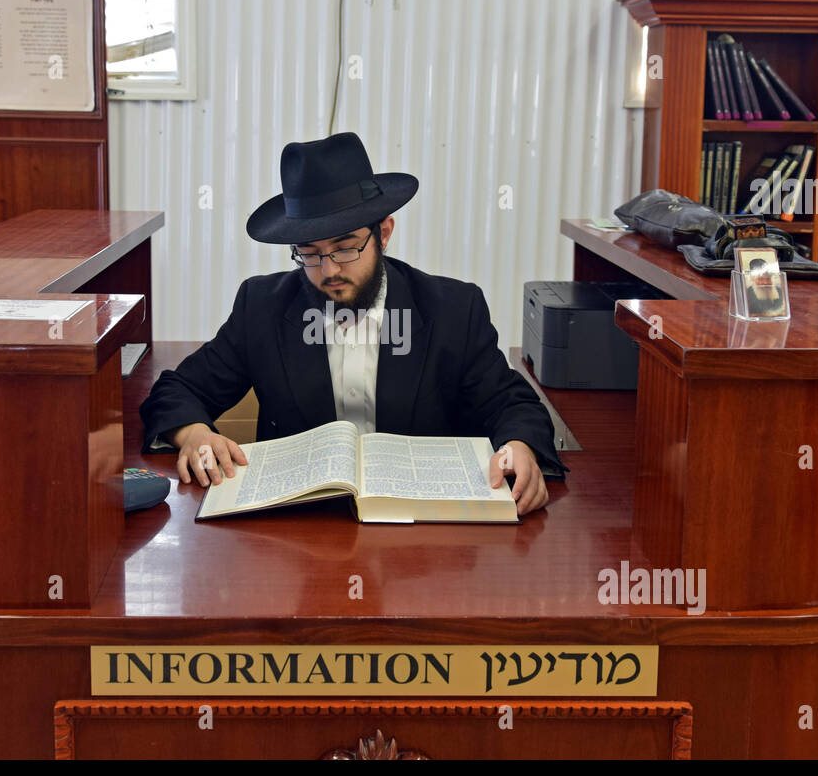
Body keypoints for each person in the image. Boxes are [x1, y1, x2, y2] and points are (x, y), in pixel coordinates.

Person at [139, 132, 566, 516]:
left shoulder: (453, 308)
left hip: (425, 533)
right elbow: (178, 389)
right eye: (309, 253)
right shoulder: (262, 307)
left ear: (384, 232)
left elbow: (512, 404)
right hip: (303, 529)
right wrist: (192, 433)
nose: (327, 271)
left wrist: (520, 446)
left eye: (345, 248)